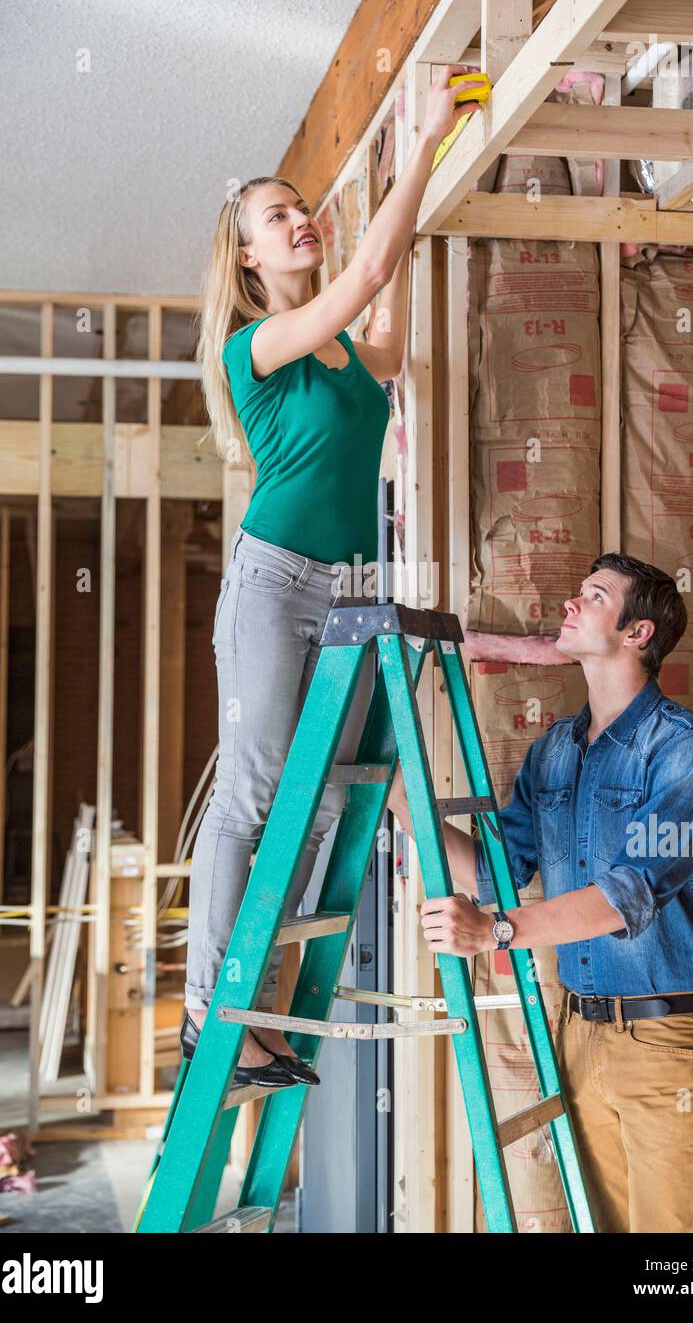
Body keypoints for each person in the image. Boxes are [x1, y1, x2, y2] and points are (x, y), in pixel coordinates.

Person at [183, 65, 487, 1087]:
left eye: (304, 207)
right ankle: (206, 1013)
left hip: (351, 590)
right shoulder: (253, 345)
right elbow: (359, 284)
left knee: (315, 803)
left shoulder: (347, 355)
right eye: (280, 215)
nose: (301, 219)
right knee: (253, 793)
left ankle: (256, 1002)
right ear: (247, 253)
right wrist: (424, 142)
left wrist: (398, 237)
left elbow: (386, 336)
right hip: (274, 582)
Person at [388, 553, 693, 1231]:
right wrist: (404, 801)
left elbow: (627, 897)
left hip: (664, 1043)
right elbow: (497, 871)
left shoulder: (688, 751)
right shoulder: (555, 752)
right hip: (576, 1032)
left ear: (638, 634)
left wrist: (494, 932)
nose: (571, 606)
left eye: (595, 597)